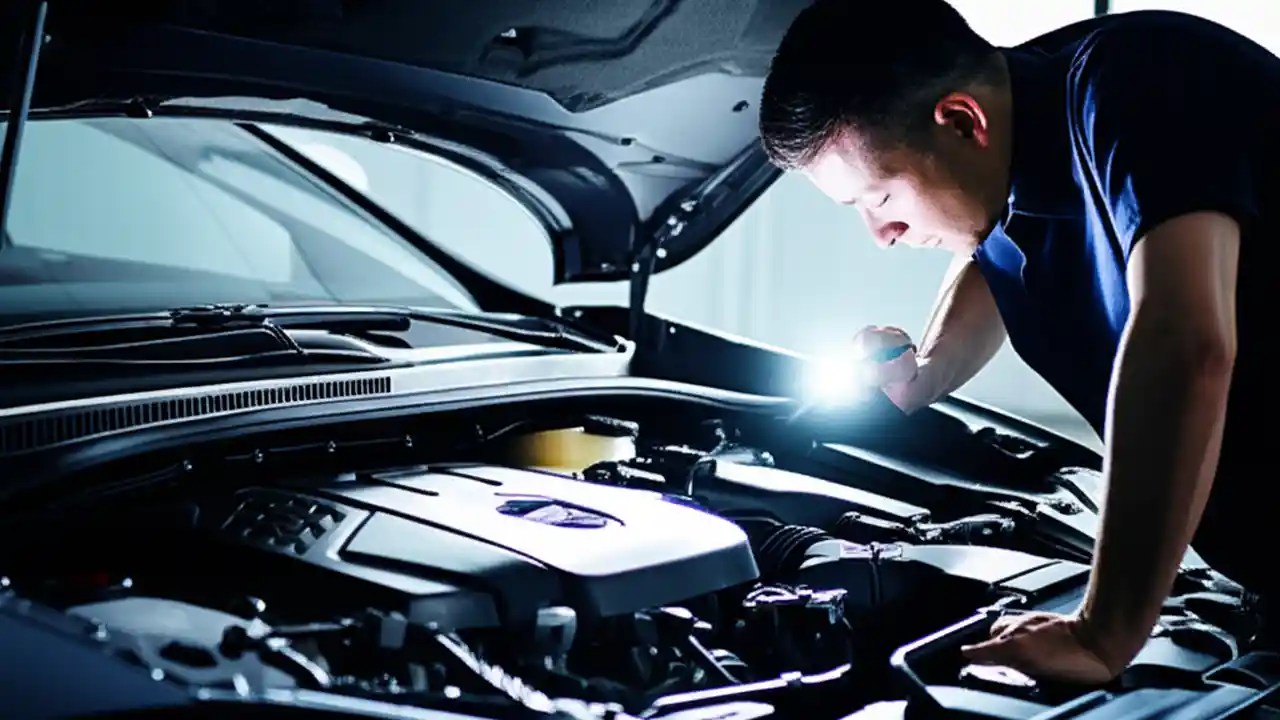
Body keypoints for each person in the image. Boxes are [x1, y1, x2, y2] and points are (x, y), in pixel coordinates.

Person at [759, 0, 1279, 685]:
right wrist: (929, 371)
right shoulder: (1015, 120)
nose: (880, 234)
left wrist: (1102, 633)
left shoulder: (1143, 81)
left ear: (959, 121)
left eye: (878, 198)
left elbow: (1185, 346)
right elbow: (993, 248)